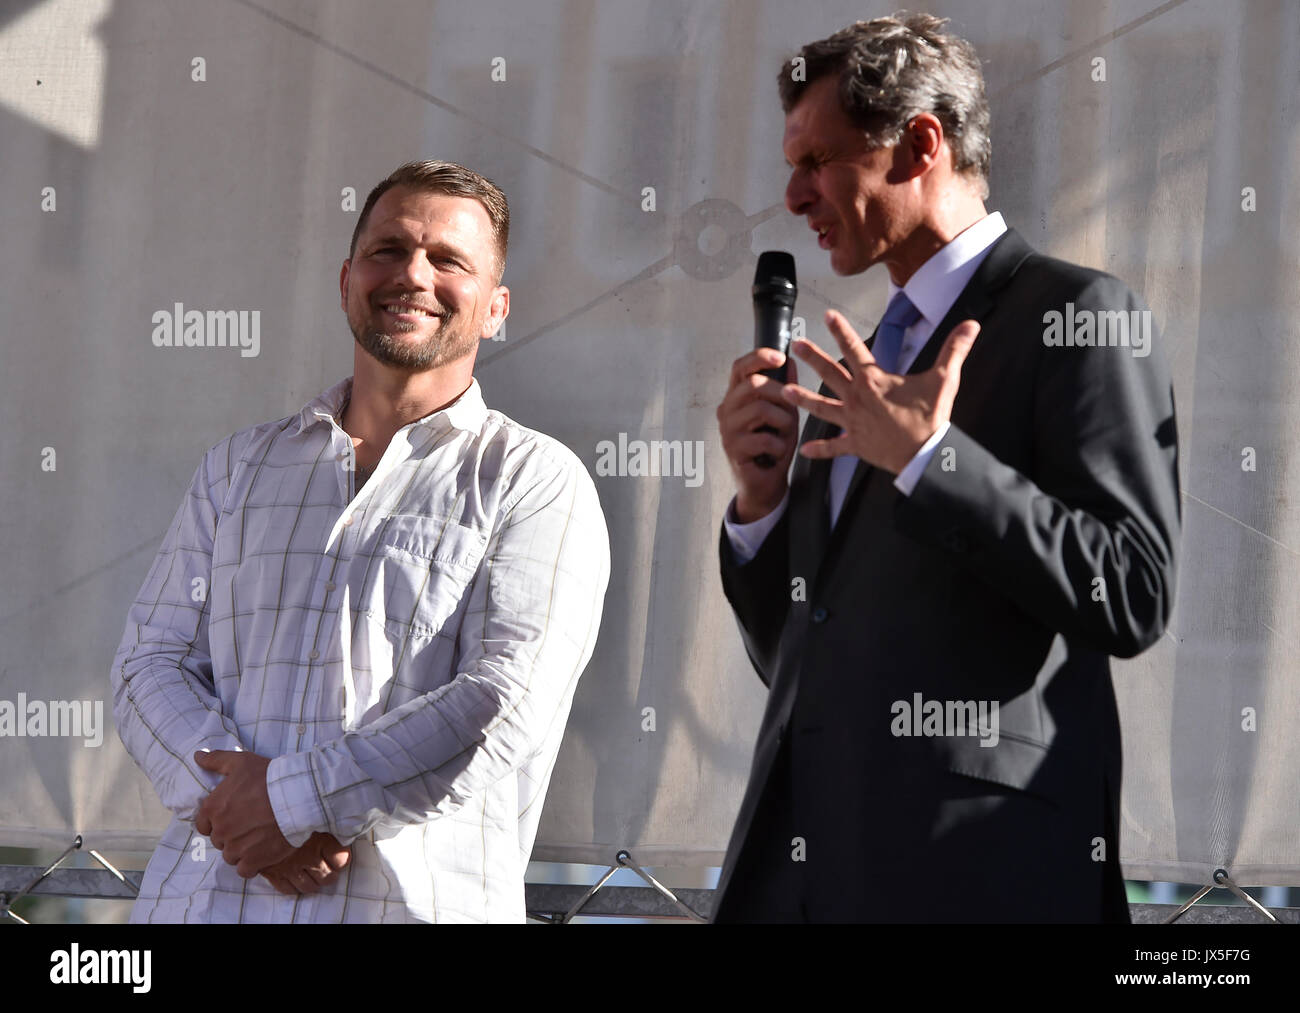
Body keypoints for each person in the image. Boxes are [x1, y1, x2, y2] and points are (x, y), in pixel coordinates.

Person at [713, 14, 1180, 922]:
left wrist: (931, 458)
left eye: (816, 161)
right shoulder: (860, 367)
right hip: (799, 876)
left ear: (919, 142)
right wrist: (761, 503)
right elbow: (805, 657)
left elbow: (1133, 589)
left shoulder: (1075, 315)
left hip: (974, 874)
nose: (793, 194)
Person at [111, 160, 610, 922]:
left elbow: (505, 701)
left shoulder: (535, 480)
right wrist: (244, 807)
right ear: (347, 280)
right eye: (388, 251)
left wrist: (294, 801)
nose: (413, 274)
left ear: (497, 306)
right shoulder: (240, 466)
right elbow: (149, 665)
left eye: (448, 260)